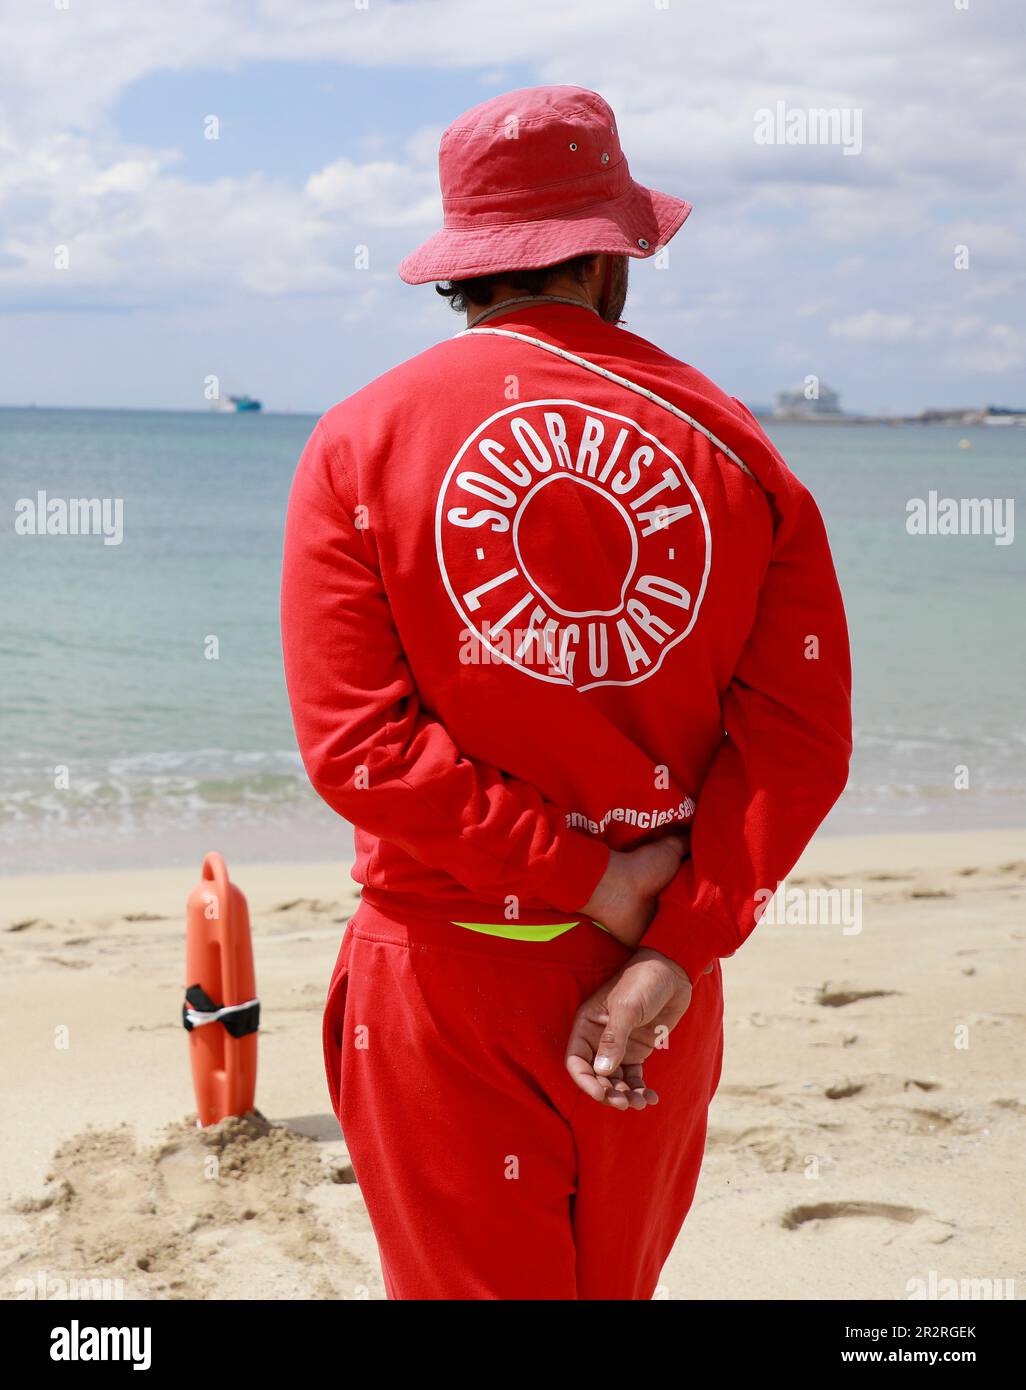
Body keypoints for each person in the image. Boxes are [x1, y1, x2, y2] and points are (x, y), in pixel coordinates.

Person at [281, 84, 852, 1300]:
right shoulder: (738, 446)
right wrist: (674, 938)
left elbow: (359, 752)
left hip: (445, 984)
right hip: (656, 979)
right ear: (610, 258)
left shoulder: (358, 439)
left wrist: (581, 874)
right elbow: (800, 739)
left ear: (467, 263)